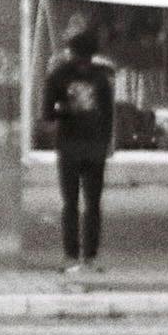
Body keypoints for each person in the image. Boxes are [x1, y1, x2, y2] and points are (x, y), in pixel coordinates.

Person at [40, 25, 117, 274]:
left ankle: (72, 256)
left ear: (71, 52)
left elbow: (47, 114)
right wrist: (107, 144)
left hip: (70, 147)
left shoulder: (59, 75)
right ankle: (89, 257)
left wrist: (66, 110)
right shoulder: (101, 78)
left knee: (71, 203)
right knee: (92, 204)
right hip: (92, 147)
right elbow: (108, 115)